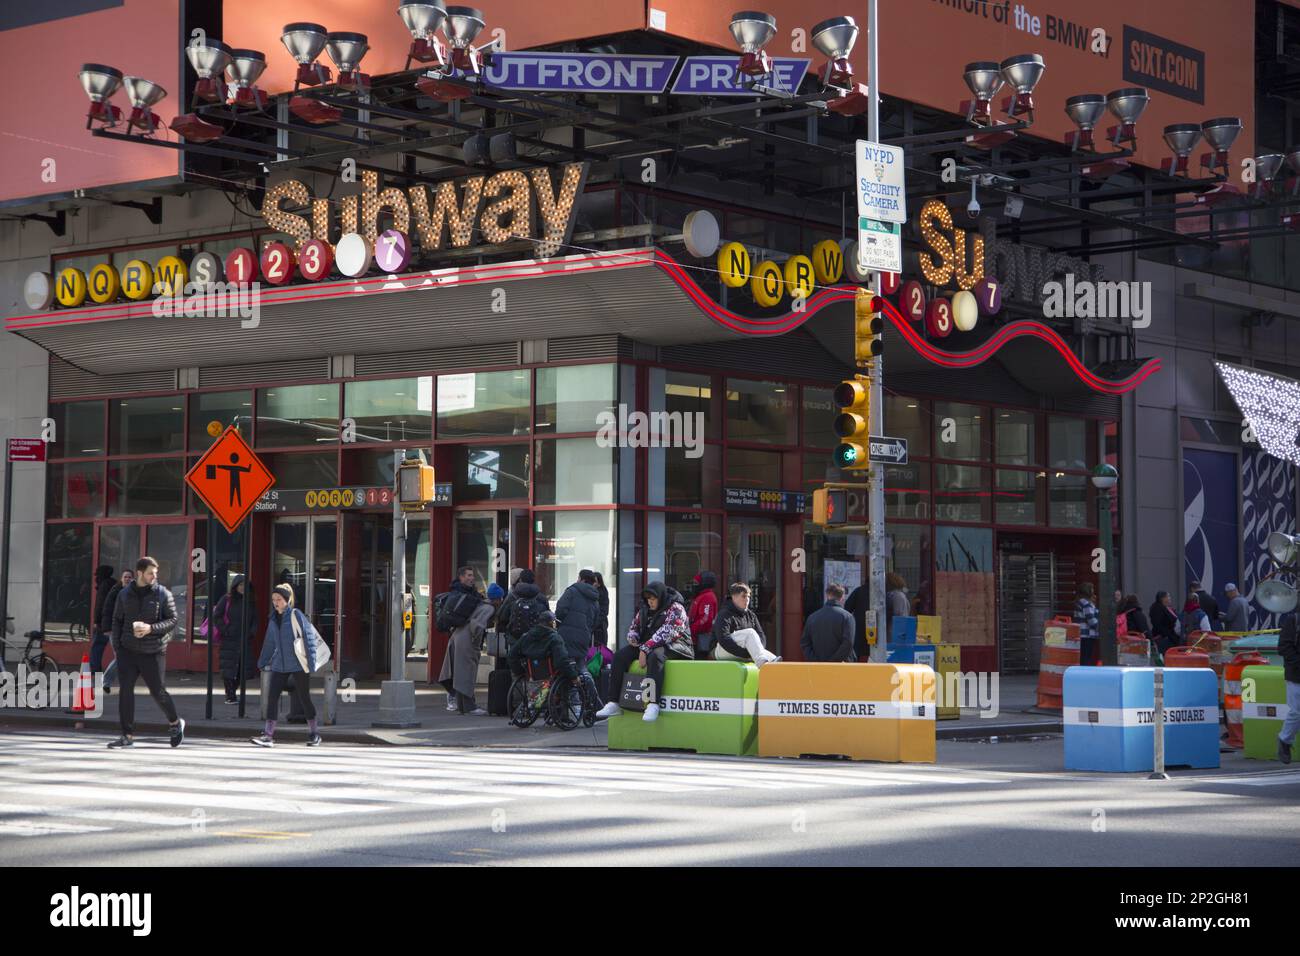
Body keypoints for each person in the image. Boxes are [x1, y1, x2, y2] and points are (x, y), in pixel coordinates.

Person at [107, 557, 184, 749]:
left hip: (153, 651)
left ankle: (175, 723)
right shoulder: (124, 594)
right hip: (128, 651)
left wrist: (151, 628)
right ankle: (127, 736)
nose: (154, 576)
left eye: (155, 573)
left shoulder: (162, 594)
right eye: (151, 573)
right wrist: (118, 646)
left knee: (158, 691)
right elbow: (116, 621)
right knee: (125, 691)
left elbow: (173, 620)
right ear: (140, 573)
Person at [594, 581, 693, 723]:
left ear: (661, 597)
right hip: (647, 644)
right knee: (620, 656)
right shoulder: (645, 608)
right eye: (648, 599)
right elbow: (635, 626)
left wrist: (645, 649)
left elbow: (669, 632)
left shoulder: (676, 608)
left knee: (655, 657)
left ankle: (653, 703)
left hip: (676, 645)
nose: (650, 602)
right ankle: (613, 702)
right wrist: (633, 637)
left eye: (653, 599)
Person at [251, 583, 321, 747]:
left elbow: (309, 639)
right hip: (279, 665)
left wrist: (311, 665)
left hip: (298, 665)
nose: (276, 602)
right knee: (272, 698)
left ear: (287, 600)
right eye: (274, 599)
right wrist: (262, 662)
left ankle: (314, 733)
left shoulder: (296, 615)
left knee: (304, 698)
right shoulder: (273, 619)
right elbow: (269, 643)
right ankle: (268, 735)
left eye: (279, 599)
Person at [437, 567, 496, 716]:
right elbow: (477, 625)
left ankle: (462, 706)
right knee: (467, 673)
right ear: (461, 577)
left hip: (457, 635)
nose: (472, 578)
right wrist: (477, 642)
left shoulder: (465, 594)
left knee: (460, 672)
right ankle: (469, 706)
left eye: (472, 575)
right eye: (469, 575)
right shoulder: (486, 606)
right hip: (466, 639)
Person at [711, 582, 780, 667]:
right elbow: (723, 639)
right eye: (743, 596)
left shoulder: (751, 615)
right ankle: (761, 663)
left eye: (748, 596)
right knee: (750, 633)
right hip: (721, 651)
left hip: (743, 650)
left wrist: (753, 651)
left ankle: (775, 668)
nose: (747, 599)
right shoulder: (724, 613)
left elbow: (761, 636)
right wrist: (745, 653)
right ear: (734, 597)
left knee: (773, 658)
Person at [212, 575, 253, 704]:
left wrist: (252, 632)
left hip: (244, 639)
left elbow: (255, 618)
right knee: (228, 669)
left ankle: (233, 691)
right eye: (240, 585)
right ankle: (230, 695)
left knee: (242, 669)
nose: (242, 588)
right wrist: (226, 630)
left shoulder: (250, 601)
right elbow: (217, 616)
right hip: (229, 639)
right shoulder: (227, 599)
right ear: (235, 586)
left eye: (244, 585)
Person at [98, 568, 134, 693]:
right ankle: (106, 681)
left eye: (130, 577)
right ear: (121, 579)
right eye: (125, 577)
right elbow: (107, 610)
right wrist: (106, 628)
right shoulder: (115, 592)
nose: (127, 579)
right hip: (114, 629)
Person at [555, 569, 601, 664]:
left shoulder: (571, 591)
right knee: (580, 664)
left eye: (578, 578)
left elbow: (560, 610)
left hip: (566, 635)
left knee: (565, 665)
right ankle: (585, 677)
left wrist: (559, 624)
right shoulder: (595, 600)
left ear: (582, 580)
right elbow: (596, 622)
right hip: (584, 637)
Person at [801, 583, 856, 662]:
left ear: (827, 596)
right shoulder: (847, 617)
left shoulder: (812, 617)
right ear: (842, 598)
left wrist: (815, 661)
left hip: (818, 667)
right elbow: (848, 643)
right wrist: (833, 662)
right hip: (841, 667)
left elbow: (805, 643)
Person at [496, 568, 549, 649]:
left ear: (520, 580)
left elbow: (502, 616)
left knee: (513, 659)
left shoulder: (512, 596)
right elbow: (547, 617)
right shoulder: (541, 598)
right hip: (535, 640)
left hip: (515, 640)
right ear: (534, 580)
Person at [1276, 609, 1299, 763]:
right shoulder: (1293, 620)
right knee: (1297, 711)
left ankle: (1285, 740)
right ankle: (1285, 740)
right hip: (1297, 674)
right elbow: (1283, 647)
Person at [89, 564, 115, 681]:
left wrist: (96, 621)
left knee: (97, 646)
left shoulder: (104, 586)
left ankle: (95, 669)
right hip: (111, 620)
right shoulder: (114, 584)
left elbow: (100, 605)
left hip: (103, 622)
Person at [688, 571, 719, 657]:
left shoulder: (707, 597)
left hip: (700, 641)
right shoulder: (700, 596)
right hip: (695, 639)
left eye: (696, 583)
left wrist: (689, 630)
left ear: (704, 584)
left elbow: (705, 619)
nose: (694, 585)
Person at [1074, 582, 1100, 666]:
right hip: (1087, 635)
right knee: (1086, 658)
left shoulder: (1079, 602)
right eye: (1092, 589)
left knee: (1082, 657)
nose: (1093, 591)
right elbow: (1092, 621)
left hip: (1081, 634)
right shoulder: (1086, 604)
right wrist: (1101, 627)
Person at [1149, 591, 1181, 655]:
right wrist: (1168, 635)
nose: (1170, 598)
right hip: (1164, 638)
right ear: (1163, 598)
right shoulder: (1158, 609)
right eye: (1168, 596)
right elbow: (1158, 624)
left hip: (1170, 637)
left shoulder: (1168, 608)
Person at [844, 584, 871, 661]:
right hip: (880, 634)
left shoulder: (859, 591)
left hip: (860, 631)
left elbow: (847, 607)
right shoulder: (885, 592)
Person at [592, 571, 610, 649]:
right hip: (593, 626)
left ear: (599, 583)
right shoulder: (590, 592)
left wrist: (594, 624)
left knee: (599, 648)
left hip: (600, 627)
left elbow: (604, 612)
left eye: (595, 581)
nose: (593, 584)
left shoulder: (602, 594)